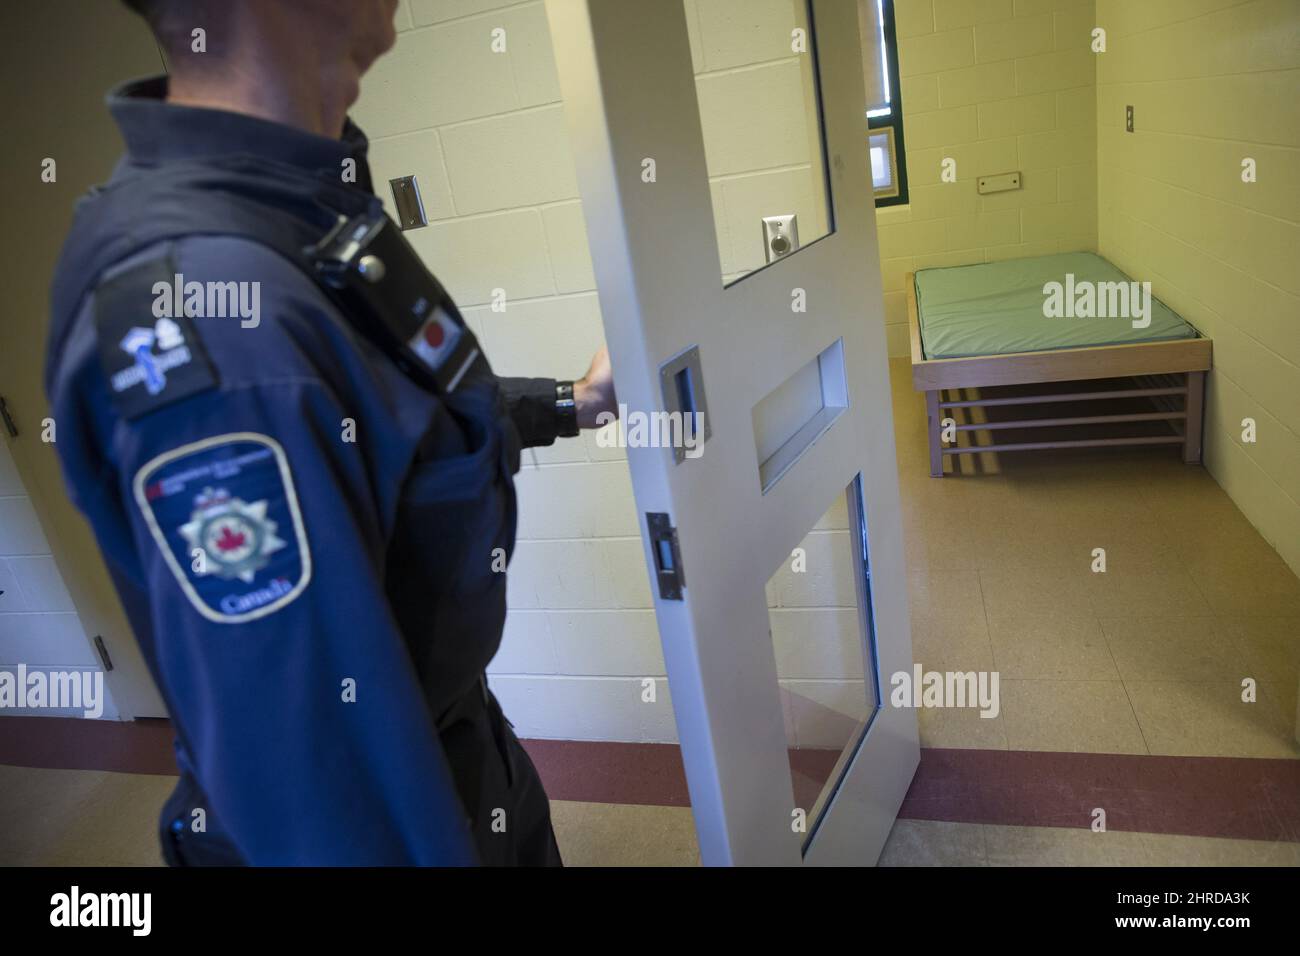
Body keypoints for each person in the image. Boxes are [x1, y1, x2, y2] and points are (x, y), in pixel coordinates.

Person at [44, 0, 617, 866]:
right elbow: (322, 793)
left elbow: (400, 426)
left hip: (463, 756)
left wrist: (575, 401)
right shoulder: (220, 316)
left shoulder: (294, 206)